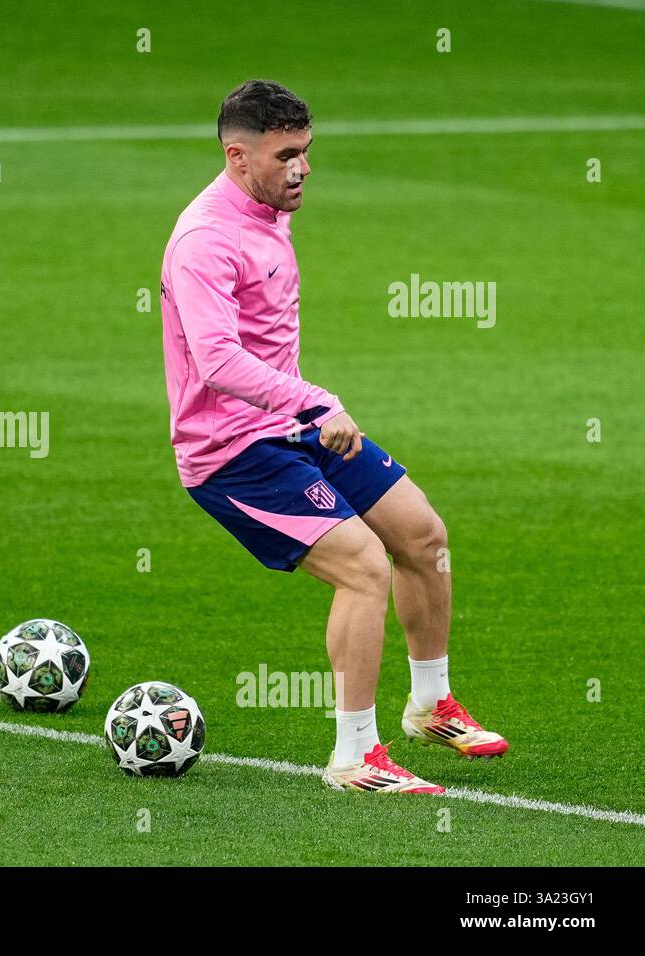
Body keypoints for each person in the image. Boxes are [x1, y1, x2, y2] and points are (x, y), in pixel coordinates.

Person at [159, 80, 508, 794]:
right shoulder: (204, 239)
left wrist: (305, 409)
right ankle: (353, 756)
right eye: (287, 155)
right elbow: (217, 360)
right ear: (237, 155)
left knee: (422, 536)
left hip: (288, 424)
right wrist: (318, 400)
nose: (303, 168)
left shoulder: (264, 209)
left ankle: (429, 704)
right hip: (232, 453)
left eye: (307, 152)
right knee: (363, 566)